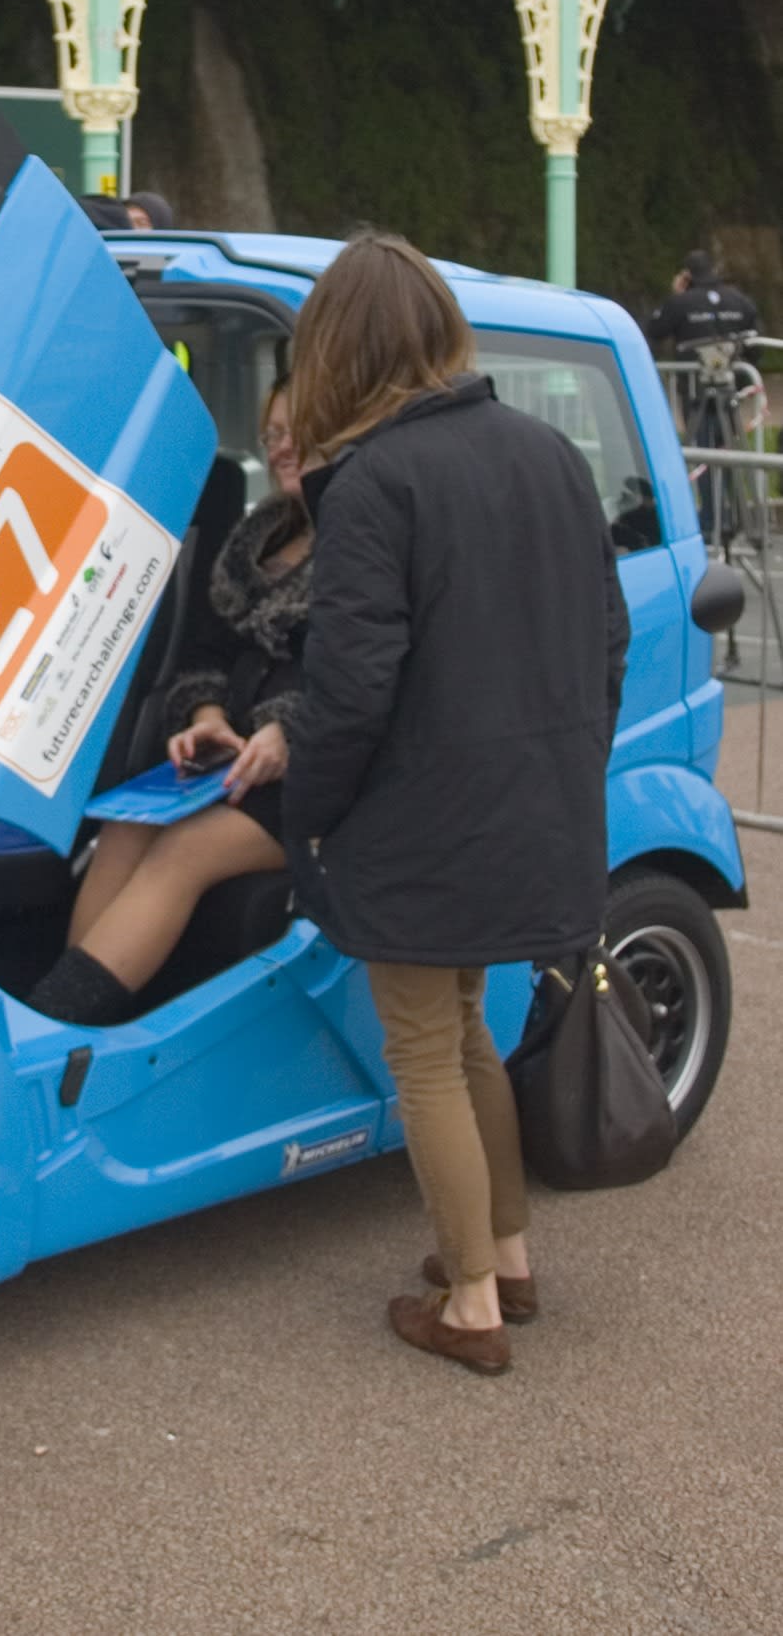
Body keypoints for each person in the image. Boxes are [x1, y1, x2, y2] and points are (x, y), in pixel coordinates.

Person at [281, 231, 629, 1378]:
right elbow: (608, 637)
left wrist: (311, 815)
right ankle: (508, 1254)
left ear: (339, 351)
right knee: (474, 1024)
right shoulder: (549, 452)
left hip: (421, 818)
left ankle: (471, 1300)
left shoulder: (375, 481)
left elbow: (350, 689)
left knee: (425, 1050)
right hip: (536, 801)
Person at [26, 382, 312, 1026]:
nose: (286, 449)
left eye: (302, 433)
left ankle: (62, 1023)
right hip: (235, 760)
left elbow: (356, 680)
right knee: (127, 825)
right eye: (274, 436)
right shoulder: (256, 540)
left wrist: (287, 734)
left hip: (314, 775)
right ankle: (70, 1017)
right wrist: (206, 719)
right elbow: (205, 655)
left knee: (183, 852)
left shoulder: (363, 545)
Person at [644, 248, 759, 355]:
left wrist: (675, 295)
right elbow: (755, 344)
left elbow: (654, 331)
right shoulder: (740, 299)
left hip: (692, 374)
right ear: (713, 270)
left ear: (686, 275)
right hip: (736, 373)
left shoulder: (679, 302)